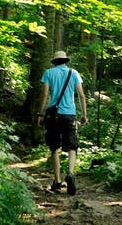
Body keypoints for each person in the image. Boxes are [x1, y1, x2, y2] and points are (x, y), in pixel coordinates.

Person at [37, 50, 87, 194]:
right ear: (65, 61)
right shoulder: (74, 73)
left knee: (54, 148)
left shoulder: (48, 73)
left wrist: (40, 114)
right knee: (72, 146)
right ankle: (70, 173)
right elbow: (82, 96)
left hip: (53, 115)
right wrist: (84, 115)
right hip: (69, 114)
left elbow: (45, 94)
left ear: (54, 61)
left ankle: (58, 182)